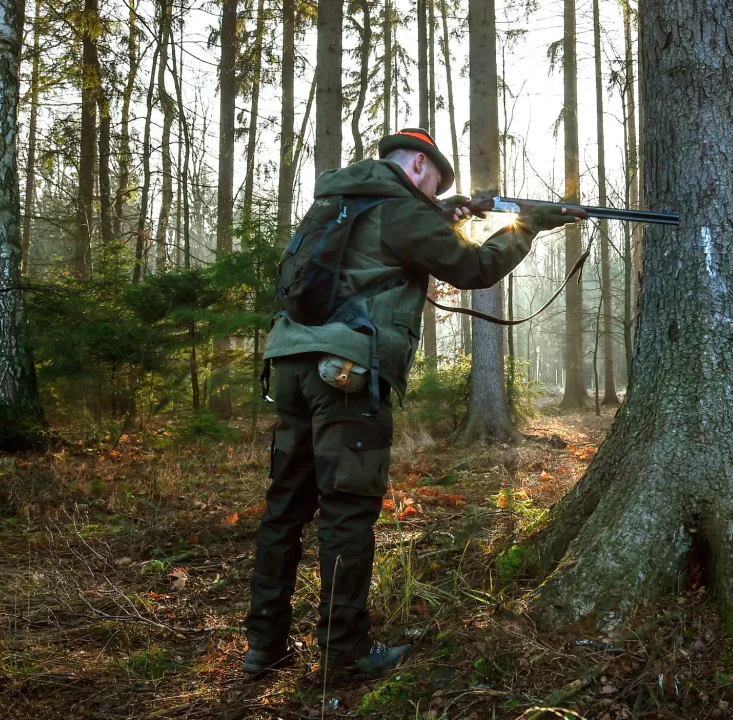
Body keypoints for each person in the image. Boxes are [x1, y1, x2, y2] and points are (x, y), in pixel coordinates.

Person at [244, 128, 584, 676]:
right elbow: (472, 270)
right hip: (348, 373)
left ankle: (264, 645)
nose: (432, 197)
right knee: (347, 512)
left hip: (289, 363)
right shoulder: (403, 210)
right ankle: (344, 653)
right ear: (421, 167)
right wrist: (528, 226)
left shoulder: (338, 201)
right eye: (434, 188)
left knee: (285, 507)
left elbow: (372, 257)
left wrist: (445, 213)